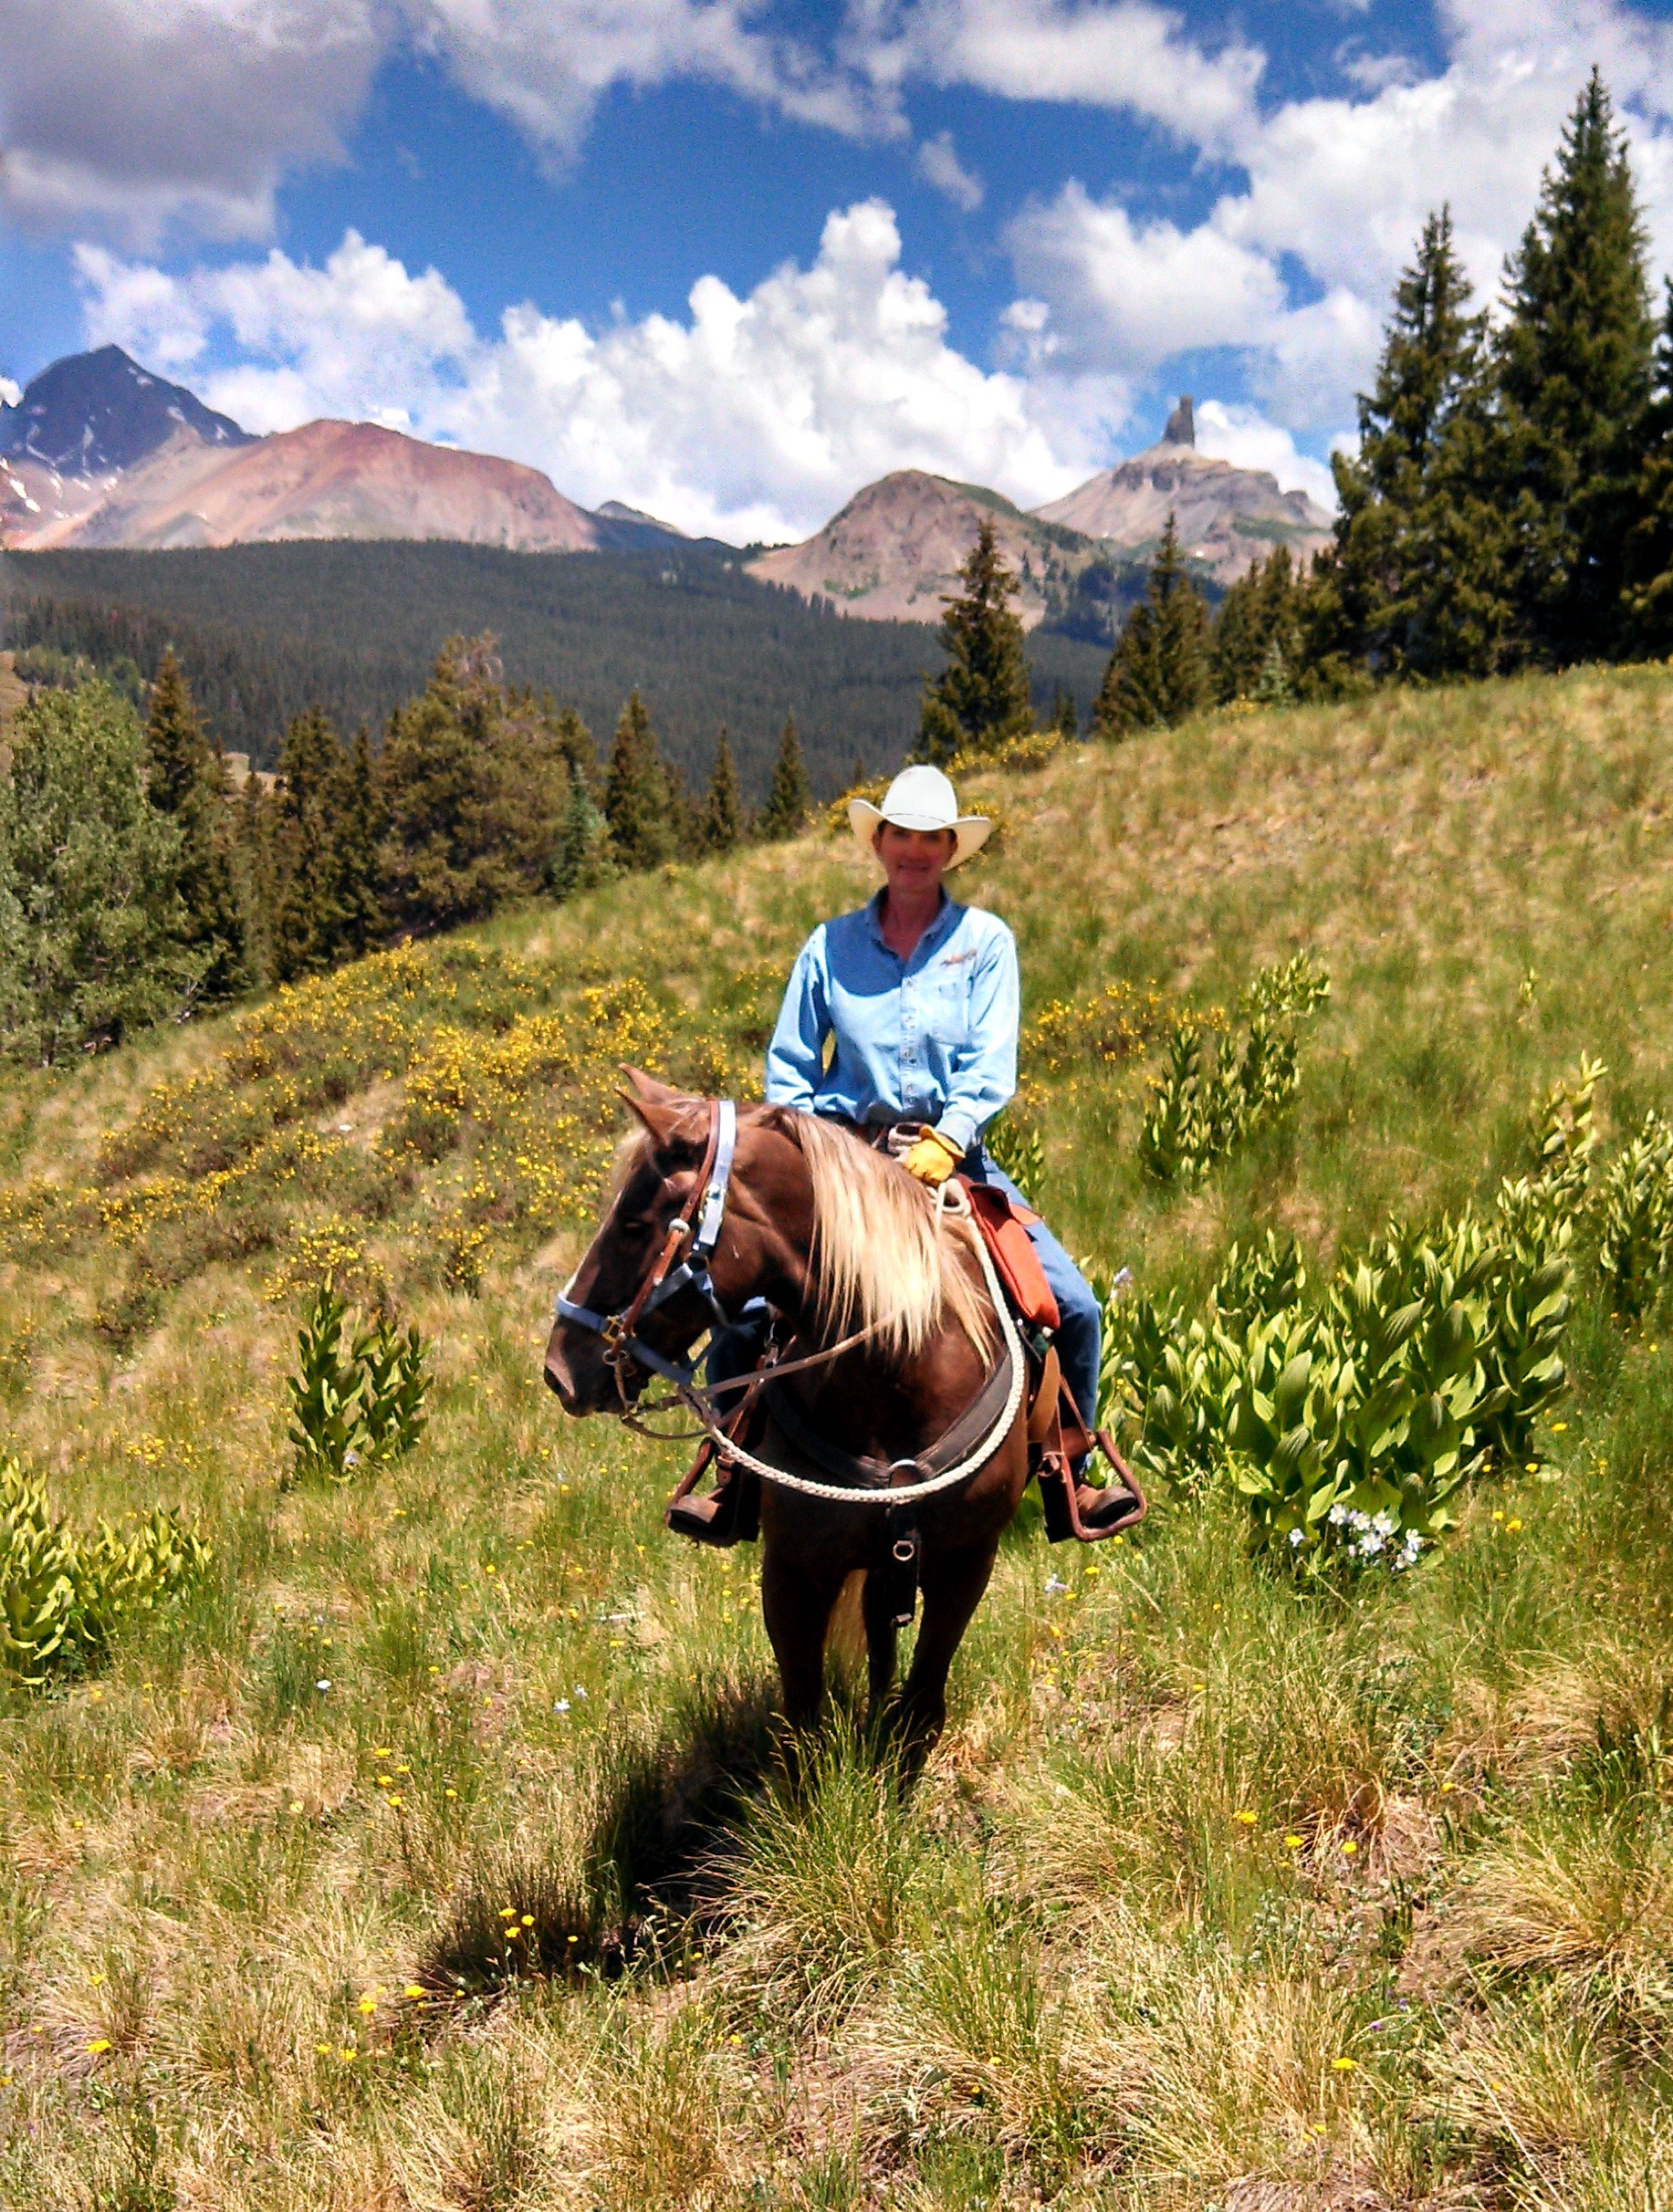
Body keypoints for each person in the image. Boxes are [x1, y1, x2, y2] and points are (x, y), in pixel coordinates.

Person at [676, 762, 1118, 1541]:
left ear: (951, 848)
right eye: (900, 835)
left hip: (952, 1157)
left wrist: (949, 1138)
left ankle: (1069, 1473)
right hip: (845, 1160)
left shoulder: (984, 943)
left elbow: (989, 1064)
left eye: (930, 838)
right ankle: (733, 1471)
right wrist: (821, 1154)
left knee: (1071, 1304)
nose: (914, 850)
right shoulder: (829, 946)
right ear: (878, 844)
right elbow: (788, 1068)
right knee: (747, 1310)